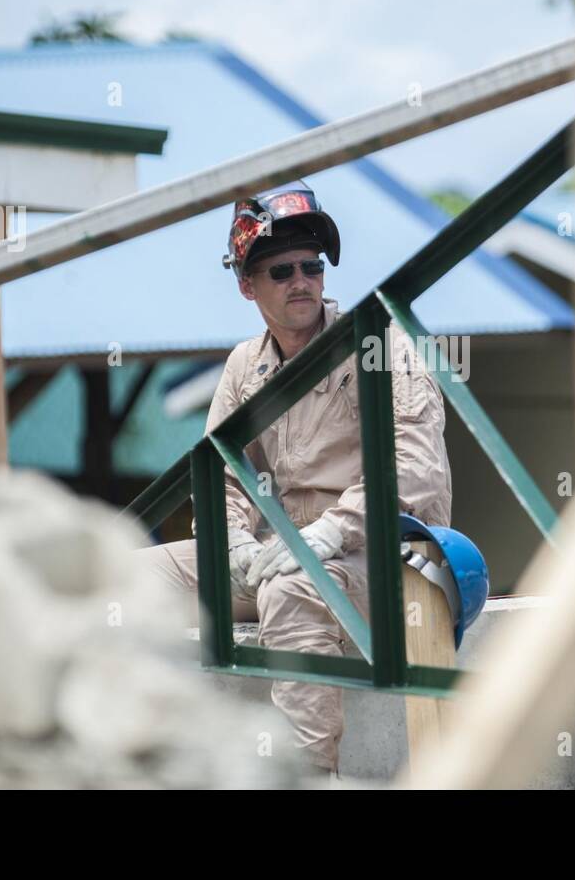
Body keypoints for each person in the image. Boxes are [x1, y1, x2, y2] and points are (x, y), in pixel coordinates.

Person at [136, 180, 452, 773]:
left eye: (312, 266)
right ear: (246, 285)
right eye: (281, 271)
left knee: (292, 589)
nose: (302, 280)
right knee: (126, 578)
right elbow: (223, 474)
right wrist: (229, 542)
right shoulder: (244, 366)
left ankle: (308, 778)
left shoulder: (379, 344)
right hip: (285, 552)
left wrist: (332, 532)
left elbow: (416, 471)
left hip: (391, 555)